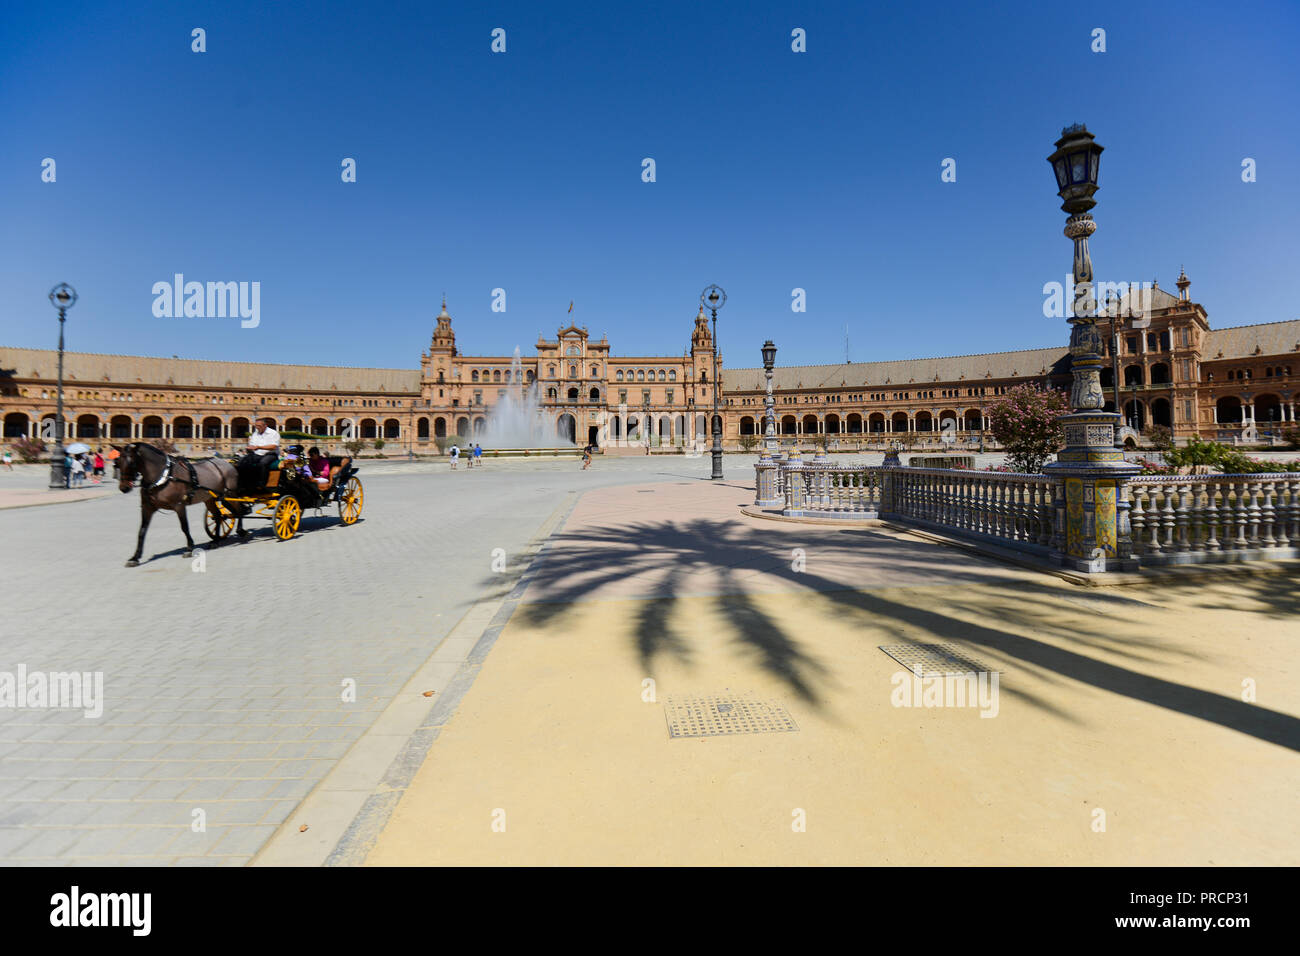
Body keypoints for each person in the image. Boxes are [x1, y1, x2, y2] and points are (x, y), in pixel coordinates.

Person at [236, 417, 280, 492]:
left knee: (263, 463)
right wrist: (249, 448)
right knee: (242, 462)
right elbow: (252, 444)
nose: (257, 427)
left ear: (265, 425)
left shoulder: (273, 433)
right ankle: (244, 483)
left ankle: (262, 485)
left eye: (259, 426)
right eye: (256, 426)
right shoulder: (255, 434)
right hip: (257, 454)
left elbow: (273, 446)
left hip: (270, 454)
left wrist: (259, 447)